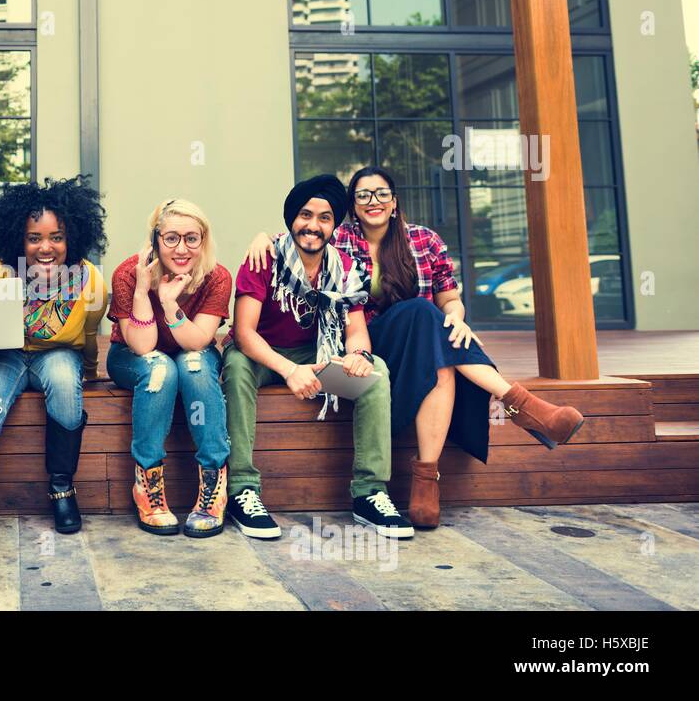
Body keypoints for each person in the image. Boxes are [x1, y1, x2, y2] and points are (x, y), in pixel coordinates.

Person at [244, 166, 584, 528]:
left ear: (394, 201)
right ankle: (527, 408)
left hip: (420, 345)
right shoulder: (338, 238)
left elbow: (449, 299)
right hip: (366, 343)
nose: (372, 201)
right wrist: (261, 237)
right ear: (352, 206)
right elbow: (298, 233)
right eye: (362, 195)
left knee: (439, 347)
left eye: (381, 194)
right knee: (424, 315)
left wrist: (455, 316)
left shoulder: (424, 240)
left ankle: (427, 479)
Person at [0, 176, 109, 566]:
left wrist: (91, 374)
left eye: (57, 237)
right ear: (18, 239)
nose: (46, 247)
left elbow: (90, 334)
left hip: (59, 354)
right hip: (6, 355)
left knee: (64, 384)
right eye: (33, 238)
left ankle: (62, 489)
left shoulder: (91, 282)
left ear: (72, 237)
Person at [223, 175, 414, 539]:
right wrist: (289, 369)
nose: (313, 225)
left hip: (317, 354)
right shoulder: (264, 258)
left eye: (324, 218)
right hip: (263, 354)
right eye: (305, 215)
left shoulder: (343, 266)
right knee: (235, 363)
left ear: (334, 224)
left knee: (376, 371)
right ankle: (242, 489)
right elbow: (244, 333)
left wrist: (358, 353)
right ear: (292, 218)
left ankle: (370, 492)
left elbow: (356, 328)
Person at [106, 199, 233, 538]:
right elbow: (143, 346)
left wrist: (169, 302)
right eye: (171, 238)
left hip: (191, 350)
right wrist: (144, 291)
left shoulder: (217, 276)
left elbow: (197, 341)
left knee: (191, 365)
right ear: (155, 239)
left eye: (192, 238)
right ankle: (147, 485)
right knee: (161, 368)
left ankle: (213, 483)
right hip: (131, 355)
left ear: (203, 241)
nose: (181, 248)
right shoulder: (127, 273)